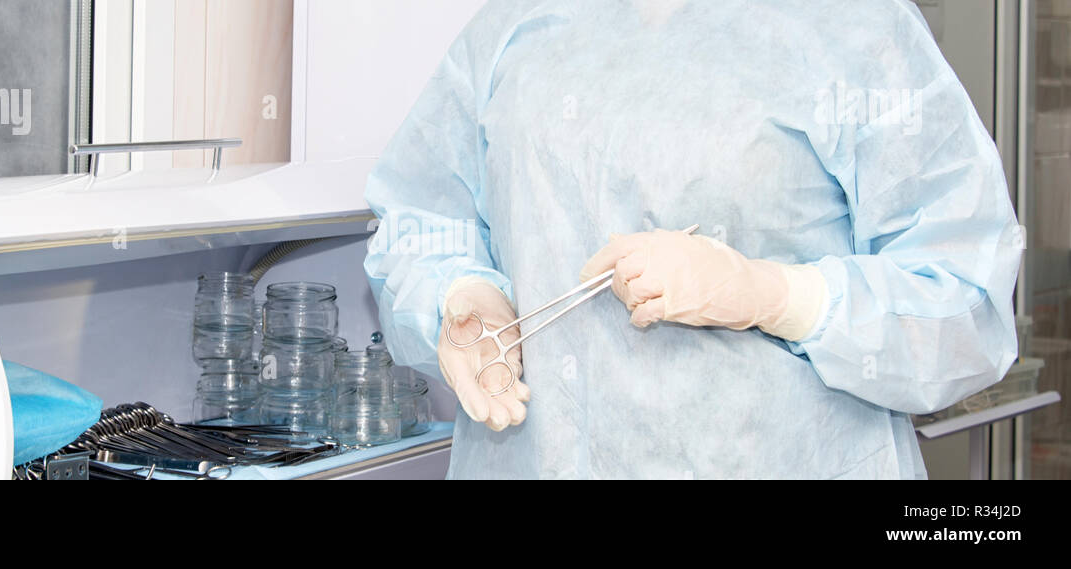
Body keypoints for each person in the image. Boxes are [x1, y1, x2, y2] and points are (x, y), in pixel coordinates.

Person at [363, 0, 1021, 479]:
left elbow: (965, 297)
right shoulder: (512, 27)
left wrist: (777, 294)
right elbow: (420, 214)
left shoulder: (857, 30)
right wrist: (461, 289)